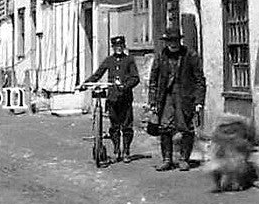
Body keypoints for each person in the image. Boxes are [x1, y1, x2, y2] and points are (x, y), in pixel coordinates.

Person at [147, 29, 206, 172]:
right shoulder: (161, 56)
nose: (172, 44)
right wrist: (153, 101)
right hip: (165, 96)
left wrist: (199, 101)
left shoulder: (190, 55)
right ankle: (167, 159)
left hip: (184, 96)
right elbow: (153, 80)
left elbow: (200, 80)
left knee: (186, 127)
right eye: (169, 41)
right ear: (166, 42)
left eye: (174, 41)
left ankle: (184, 159)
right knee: (164, 127)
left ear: (179, 41)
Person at [81, 35, 141, 164]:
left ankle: (126, 151)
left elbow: (135, 78)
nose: (118, 49)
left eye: (120, 46)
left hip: (125, 98)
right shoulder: (109, 60)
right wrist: (85, 84)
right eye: (116, 47)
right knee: (114, 126)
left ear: (124, 46)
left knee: (126, 126)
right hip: (112, 98)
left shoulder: (129, 60)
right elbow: (97, 74)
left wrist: (125, 86)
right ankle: (116, 150)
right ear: (113, 47)